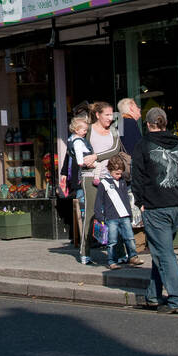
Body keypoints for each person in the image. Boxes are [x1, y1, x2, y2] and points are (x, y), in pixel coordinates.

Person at [130, 107, 178, 313]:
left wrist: (140, 201)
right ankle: (152, 295)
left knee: (164, 254)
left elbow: (137, 177)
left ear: (148, 124)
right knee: (161, 250)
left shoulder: (143, 145)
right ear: (165, 123)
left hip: (156, 206)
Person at [83, 102, 122, 264]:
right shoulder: (89, 129)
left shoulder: (114, 130)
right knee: (92, 213)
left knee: (115, 214)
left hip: (109, 176)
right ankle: (85, 252)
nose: (110, 118)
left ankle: (119, 253)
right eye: (106, 115)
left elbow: (115, 149)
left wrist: (95, 156)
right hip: (91, 175)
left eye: (112, 114)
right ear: (98, 115)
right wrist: (85, 159)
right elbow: (77, 147)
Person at [94, 153, 142, 269]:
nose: (119, 176)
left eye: (121, 173)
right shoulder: (104, 183)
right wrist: (99, 216)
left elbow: (126, 199)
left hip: (124, 215)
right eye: (117, 173)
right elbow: (98, 201)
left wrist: (129, 213)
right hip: (111, 217)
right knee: (112, 241)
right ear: (110, 170)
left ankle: (133, 257)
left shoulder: (122, 182)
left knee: (129, 238)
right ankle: (111, 261)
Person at [62, 115, 97, 263]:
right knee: (86, 212)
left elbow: (68, 158)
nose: (85, 132)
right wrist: (65, 174)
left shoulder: (73, 140)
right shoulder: (76, 142)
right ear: (77, 129)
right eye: (83, 129)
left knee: (86, 212)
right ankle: (86, 245)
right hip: (82, 179)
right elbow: (74, 160)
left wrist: (64, 174)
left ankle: (90, 241)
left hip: (79, 179)